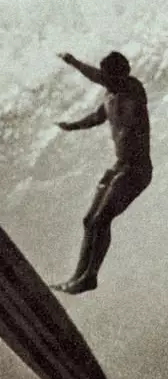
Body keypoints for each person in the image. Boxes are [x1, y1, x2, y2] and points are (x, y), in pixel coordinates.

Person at [51, 51, 152, 294]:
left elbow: (99, 78)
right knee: (89, 221)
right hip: (119, 167)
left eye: (123, 68)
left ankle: (90, 277)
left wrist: (74, 62)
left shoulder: (134, 89)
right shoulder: (110, 98)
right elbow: (96, 118)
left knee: (101, 220)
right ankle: (78, 276)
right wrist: (71, 126)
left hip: (137, 170)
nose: (125, 71)